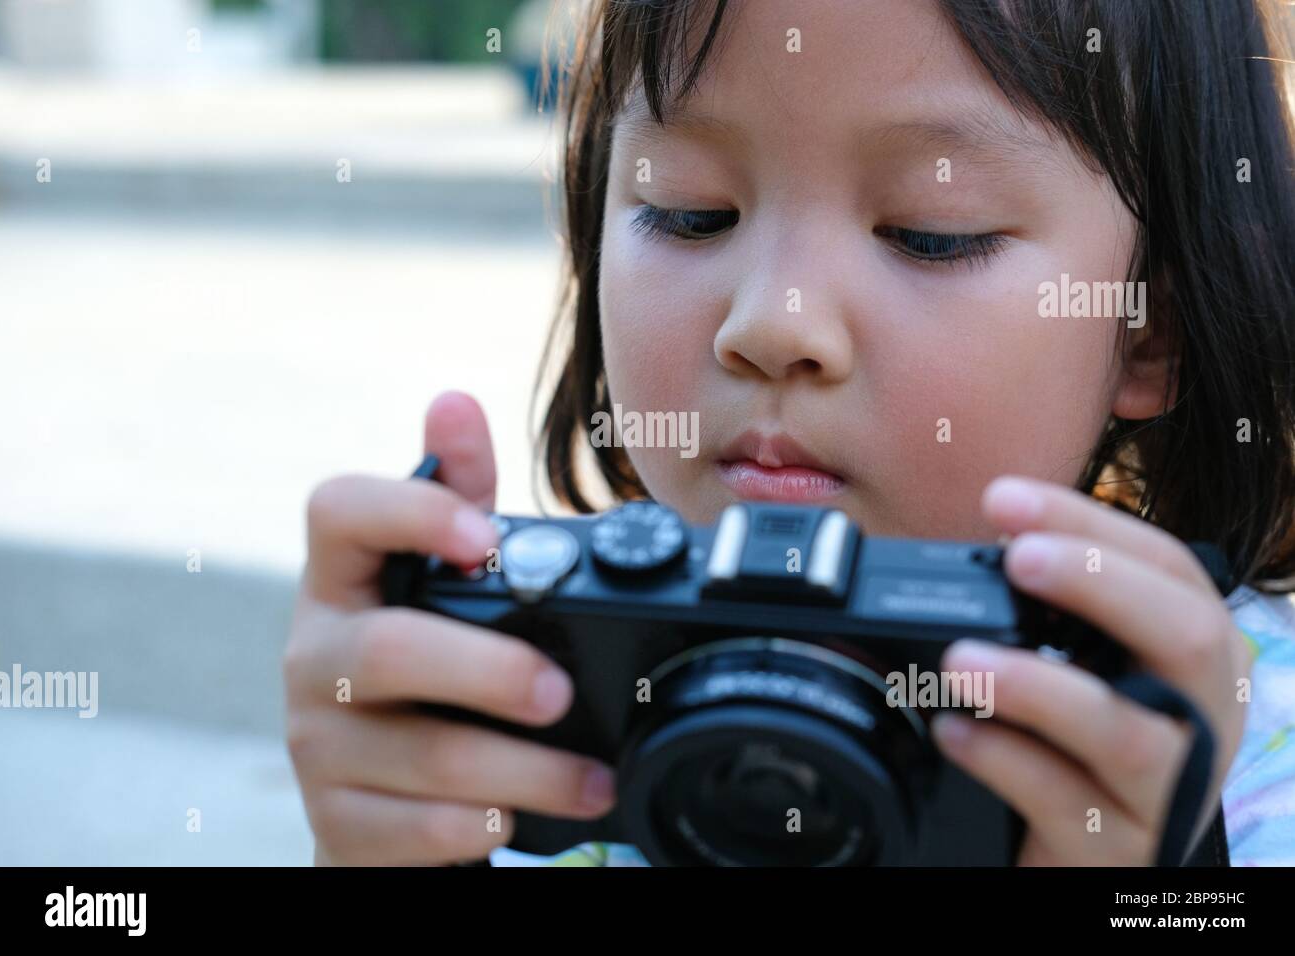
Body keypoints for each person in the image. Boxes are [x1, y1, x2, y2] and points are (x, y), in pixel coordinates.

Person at [283, 0, 1295, 866]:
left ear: (1148, 323)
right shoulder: (527, 698)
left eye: (930, 233)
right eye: (688, 211)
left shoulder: (1241, 744)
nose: (772, 323)